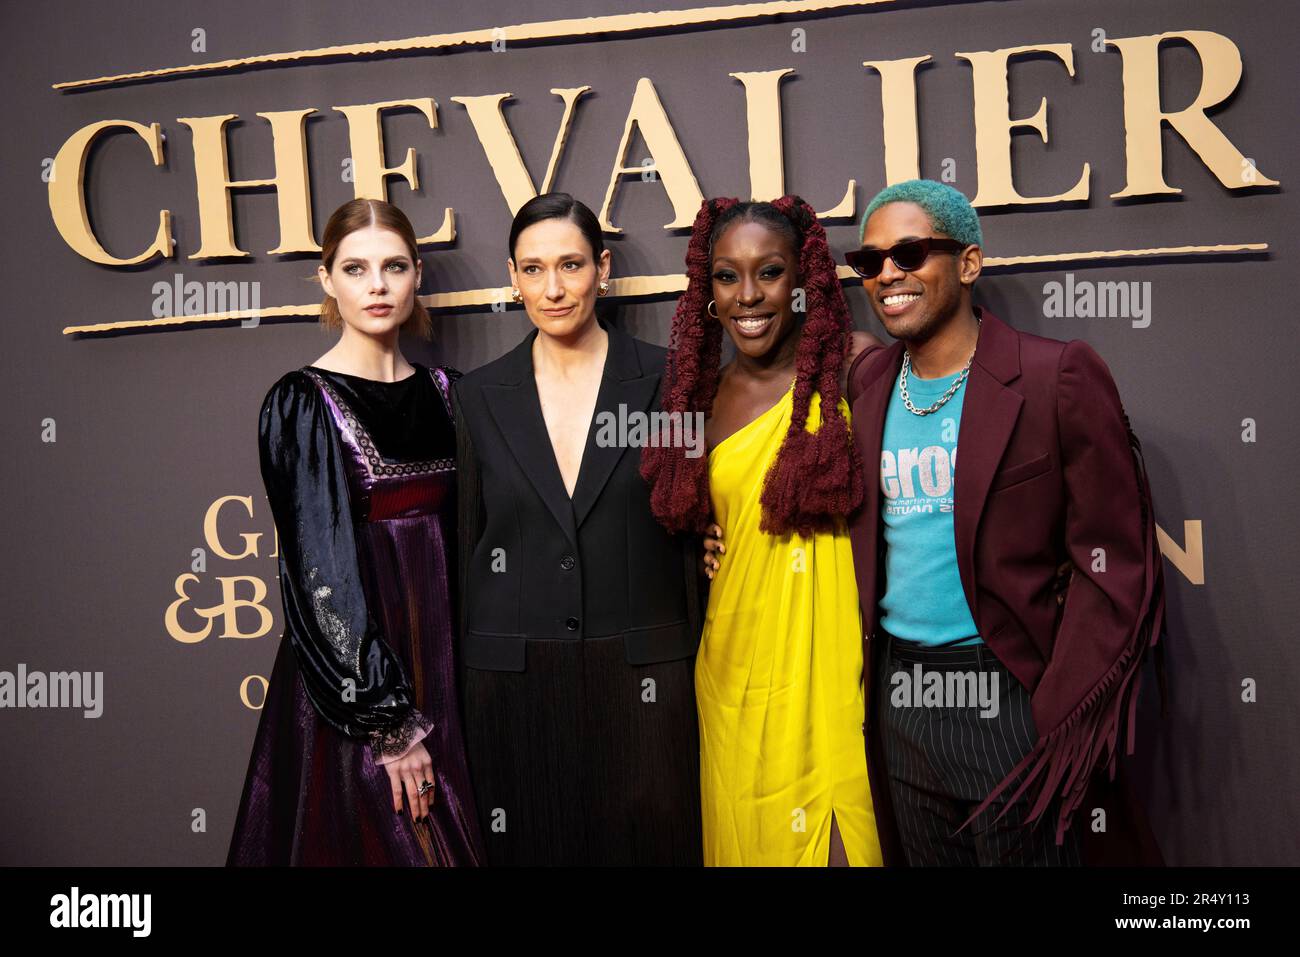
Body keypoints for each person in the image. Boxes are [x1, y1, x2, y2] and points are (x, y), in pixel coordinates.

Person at [842, 179, 1167, 865]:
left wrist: (1055, 711)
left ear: (968, 262)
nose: (887, 274)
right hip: (902, 704)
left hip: (1011, 697)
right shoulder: (869, 389)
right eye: (869, 262)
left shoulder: (1056, 375)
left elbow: (1114, 561)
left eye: (908, 252)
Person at [227, 198, 484, 866]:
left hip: (451, 673)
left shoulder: (452, 392)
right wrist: (389, 723)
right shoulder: (304, 402)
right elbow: (322, 577)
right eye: (356, 267)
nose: (377, 285)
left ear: (417, 274)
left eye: (393, 266)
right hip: (359, 692)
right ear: (326, 279)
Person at [453, 192, 704, 865]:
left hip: (646, 688)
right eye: (533, 269)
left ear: (603, 266)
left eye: (570, 264)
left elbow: (695, 519)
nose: (554, 288)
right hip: (513, 691)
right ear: (512, 277)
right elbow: (465, 548)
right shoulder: (477, 394)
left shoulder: (666, 379)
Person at [641, 195, 885, 866]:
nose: (748, 295)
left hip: (838, 668)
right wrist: (699, 551)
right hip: (735, 675)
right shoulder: (700, 399)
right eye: (727, 275)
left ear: (804, 279)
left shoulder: (855, 370)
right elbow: (695, 521)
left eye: (769, 272)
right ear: (708, 289)